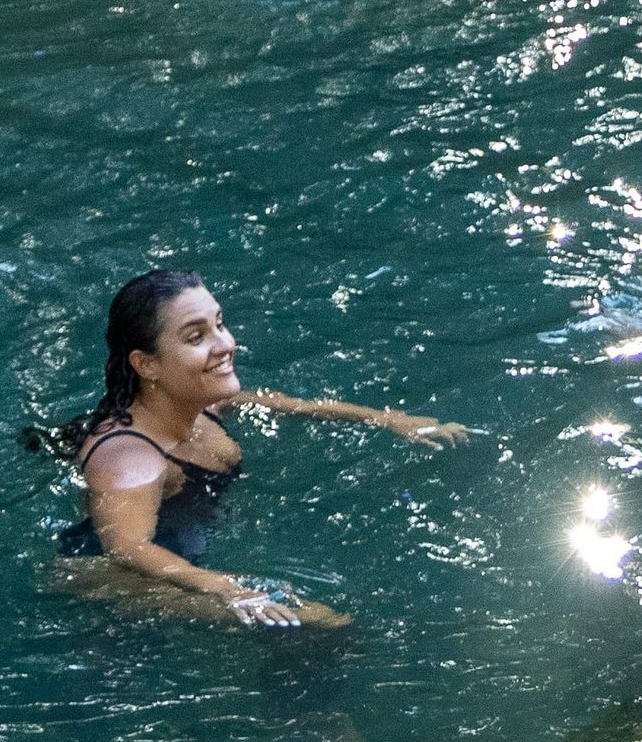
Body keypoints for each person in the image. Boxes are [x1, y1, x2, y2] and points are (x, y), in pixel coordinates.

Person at [33, 267, 468, 627]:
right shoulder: (132, 460)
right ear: (147, 364)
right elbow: (128, 549)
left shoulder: (198, 402)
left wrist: (388, 419)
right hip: (107, 582)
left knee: (300, 620)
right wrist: (225, 587)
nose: (225, 345)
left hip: (181, 553)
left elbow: (285, 404)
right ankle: (319, 731)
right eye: (195, 336)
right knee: (312, 623)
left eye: (219, 324)